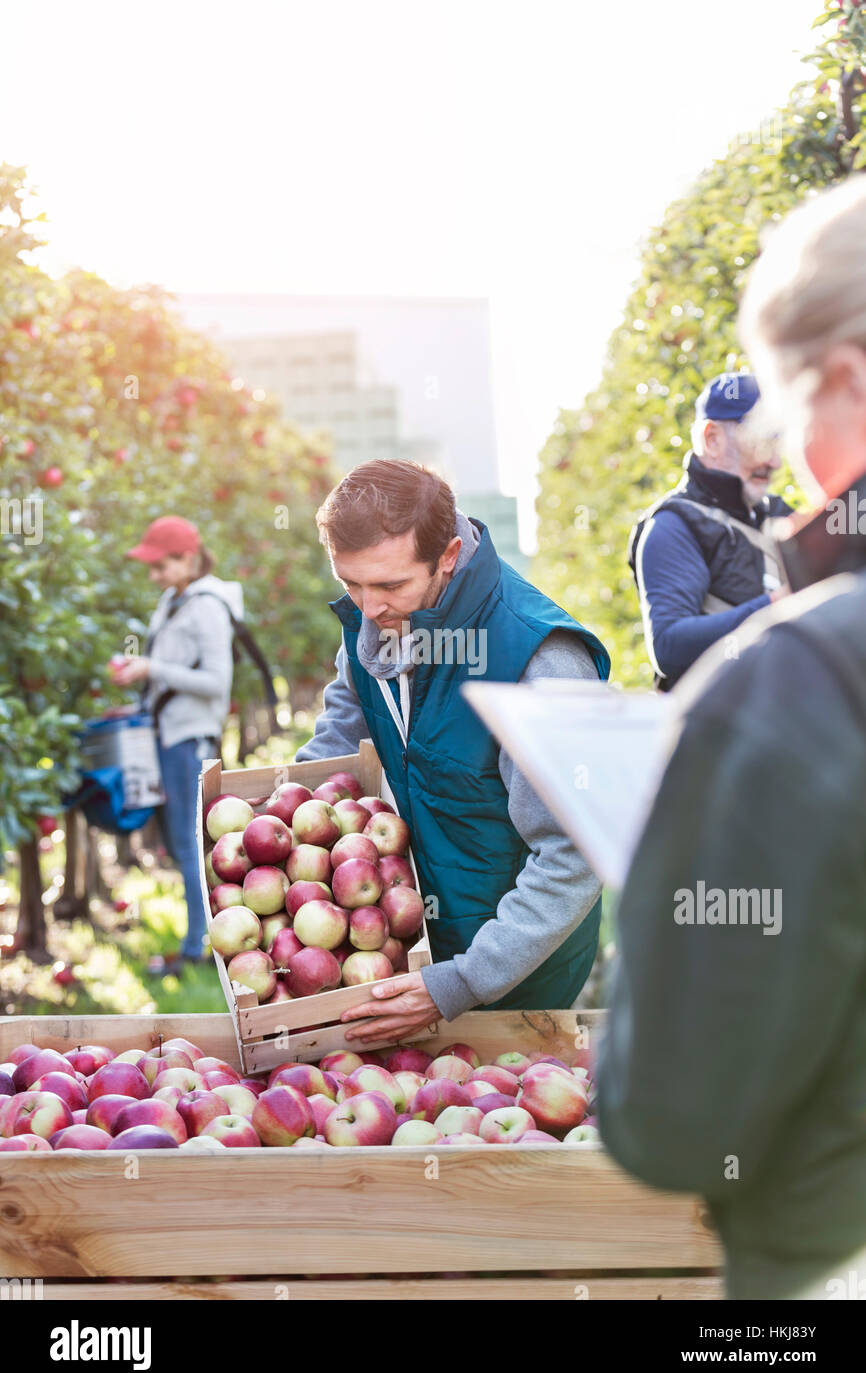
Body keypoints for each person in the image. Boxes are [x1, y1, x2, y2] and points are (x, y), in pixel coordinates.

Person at [597, 175, 866, 1300]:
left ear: (840, 382)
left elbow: (668, 1118)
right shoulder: (683, 530)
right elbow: (669, 636)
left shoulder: (805, 681)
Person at [293, 458, 611, 1046]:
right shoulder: (375, 627)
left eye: (390, 585)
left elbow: (576, 852)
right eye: (350, 584)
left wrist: (462, 982)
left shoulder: (537, 663)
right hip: (403, 946)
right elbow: (336, 744)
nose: (368, 607)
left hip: (518, 966)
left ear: (448, 554)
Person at [112, 515, 240, 974]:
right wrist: (137, 670)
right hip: (166, 736)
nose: (154, 576)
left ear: (187, 558)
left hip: (190, 739)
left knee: (190, 845)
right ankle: (200, 939)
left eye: (160, 566)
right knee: (179, 842)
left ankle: (198, 948)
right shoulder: (174, 600)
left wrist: (153, 670)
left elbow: (216, 683)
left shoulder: (207, 606)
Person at [627, 371, 794, 688]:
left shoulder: (778, 513)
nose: (773, 461)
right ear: (712, 439)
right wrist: (778, 605)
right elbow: (668, 647)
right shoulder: (672, 526)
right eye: (761, 440)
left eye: (778, 440)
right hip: (720, 730)